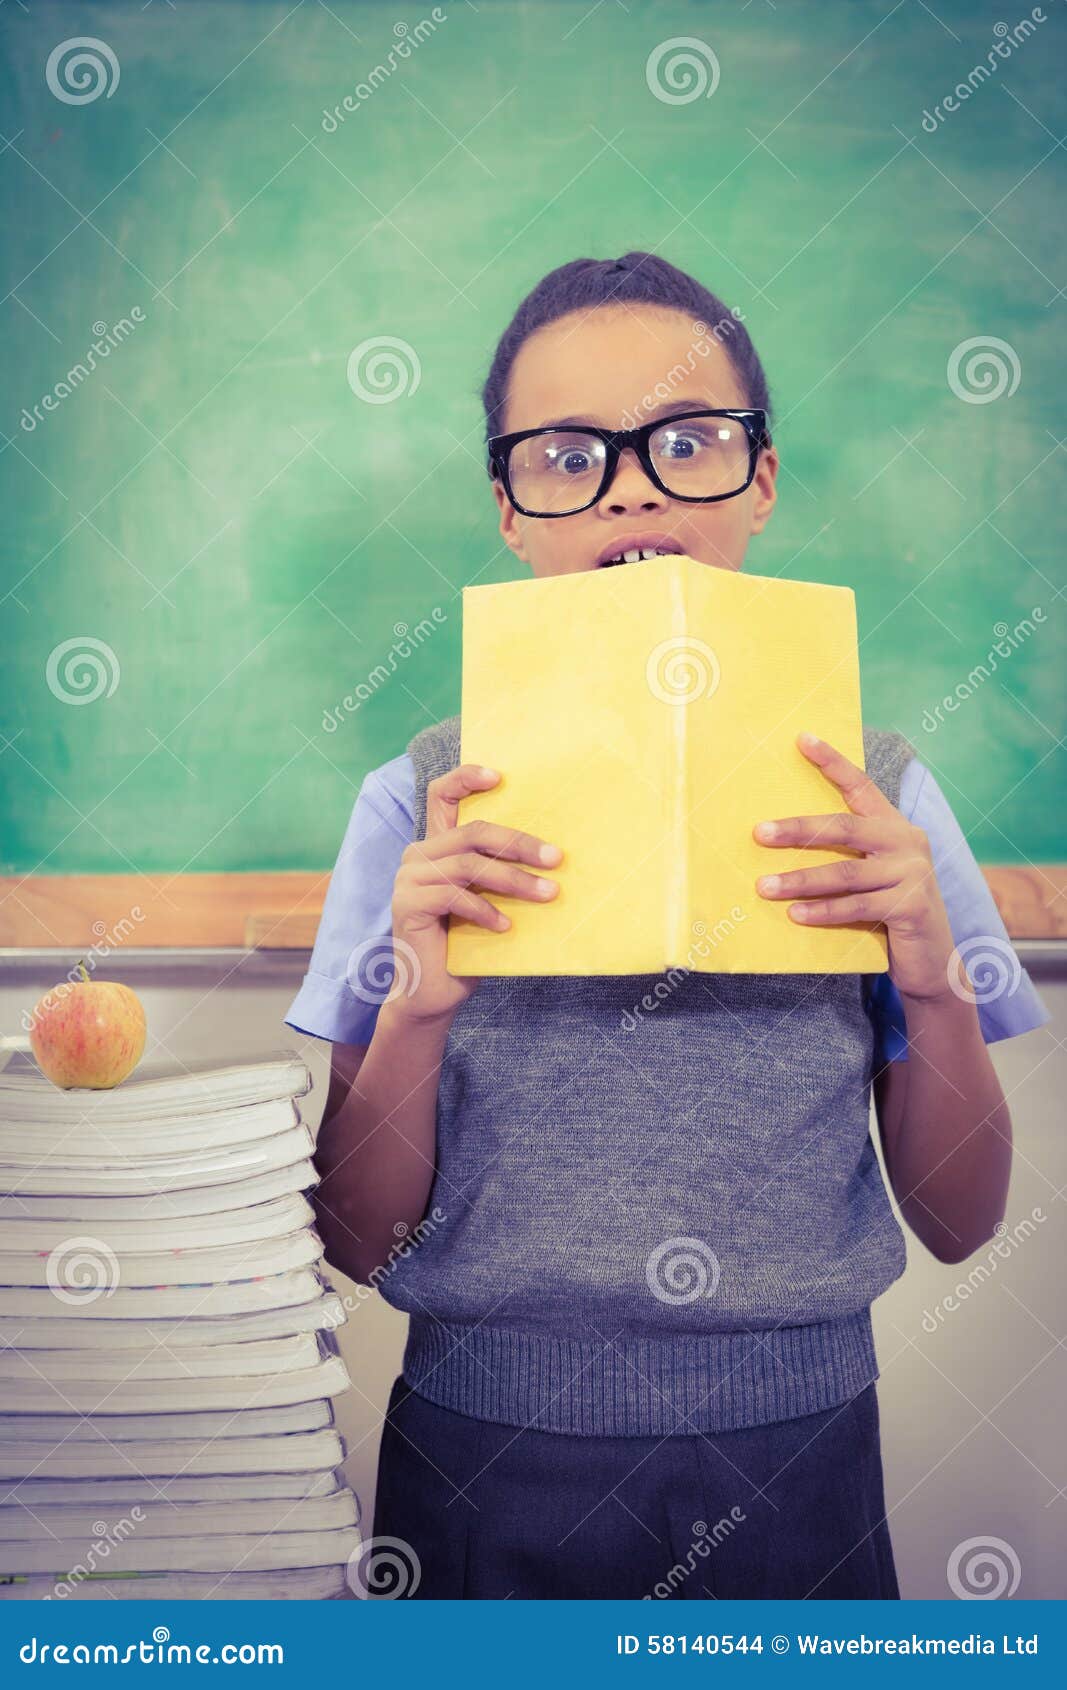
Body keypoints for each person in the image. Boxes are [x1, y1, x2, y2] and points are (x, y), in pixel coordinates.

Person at [284, 252, 1050, 1600]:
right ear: (510, 509)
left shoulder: (880, 796)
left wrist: (932, 987)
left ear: (761, 481)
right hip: (478, 1453)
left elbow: (964, 1219)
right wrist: (414, 1008)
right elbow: (354, 1233)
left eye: (689, 442)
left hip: (800, 1449)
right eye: (568, 455)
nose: (632, 485)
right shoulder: (417, 801)